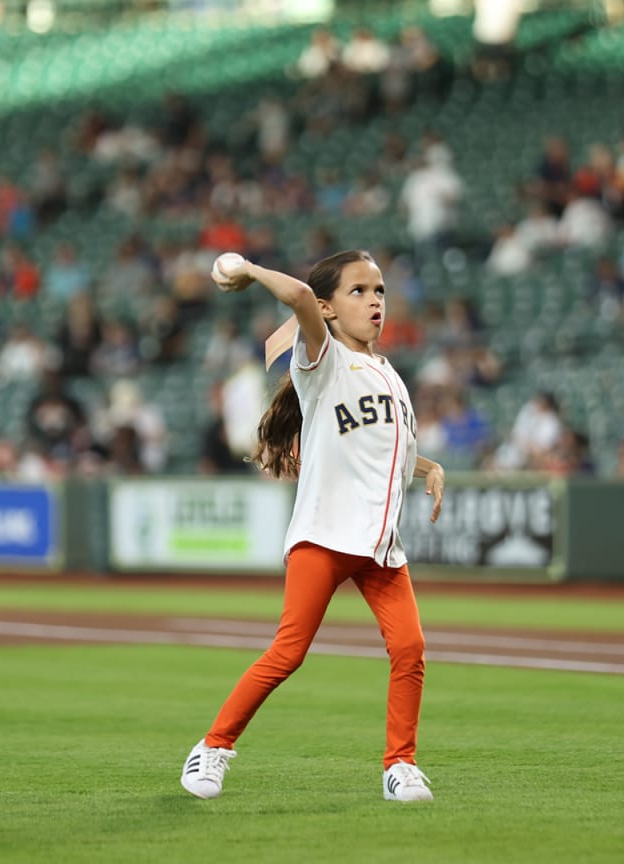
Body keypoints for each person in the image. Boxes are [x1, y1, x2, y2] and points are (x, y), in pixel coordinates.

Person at [180, 250, 447, 804]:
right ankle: (213, 746)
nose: (374, 301)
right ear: (328, 307)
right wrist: (249, 270)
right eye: (358, 291)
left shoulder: (390, 375)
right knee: (288, 651)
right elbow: (300, 297)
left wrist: (430, 467)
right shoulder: (322, 362)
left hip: (378, 547)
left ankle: (400, 765)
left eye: (378, 291)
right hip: (324, 536)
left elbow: (385, 449)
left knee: (410, 649)